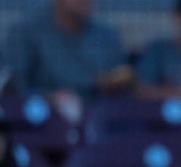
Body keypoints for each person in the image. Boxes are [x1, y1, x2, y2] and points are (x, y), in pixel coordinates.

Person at [3, 0, 131, 122]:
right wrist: (49, 98)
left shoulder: (107, 37)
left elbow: (124, 85)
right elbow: (12, 89)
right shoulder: (25, 33)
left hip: (99, 121)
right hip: (41, 123)